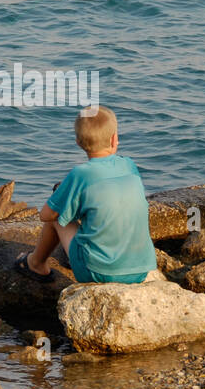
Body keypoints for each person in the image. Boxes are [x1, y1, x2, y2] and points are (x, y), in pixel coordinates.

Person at [19, 105, 158, 284]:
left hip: (98, 273)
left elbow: (45, 215)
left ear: (78, 142)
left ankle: (36, 264)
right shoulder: (129, 165)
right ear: (115, 138)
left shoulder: (80, 174)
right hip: (140, 270)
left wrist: (64, 198)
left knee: (58, 216)